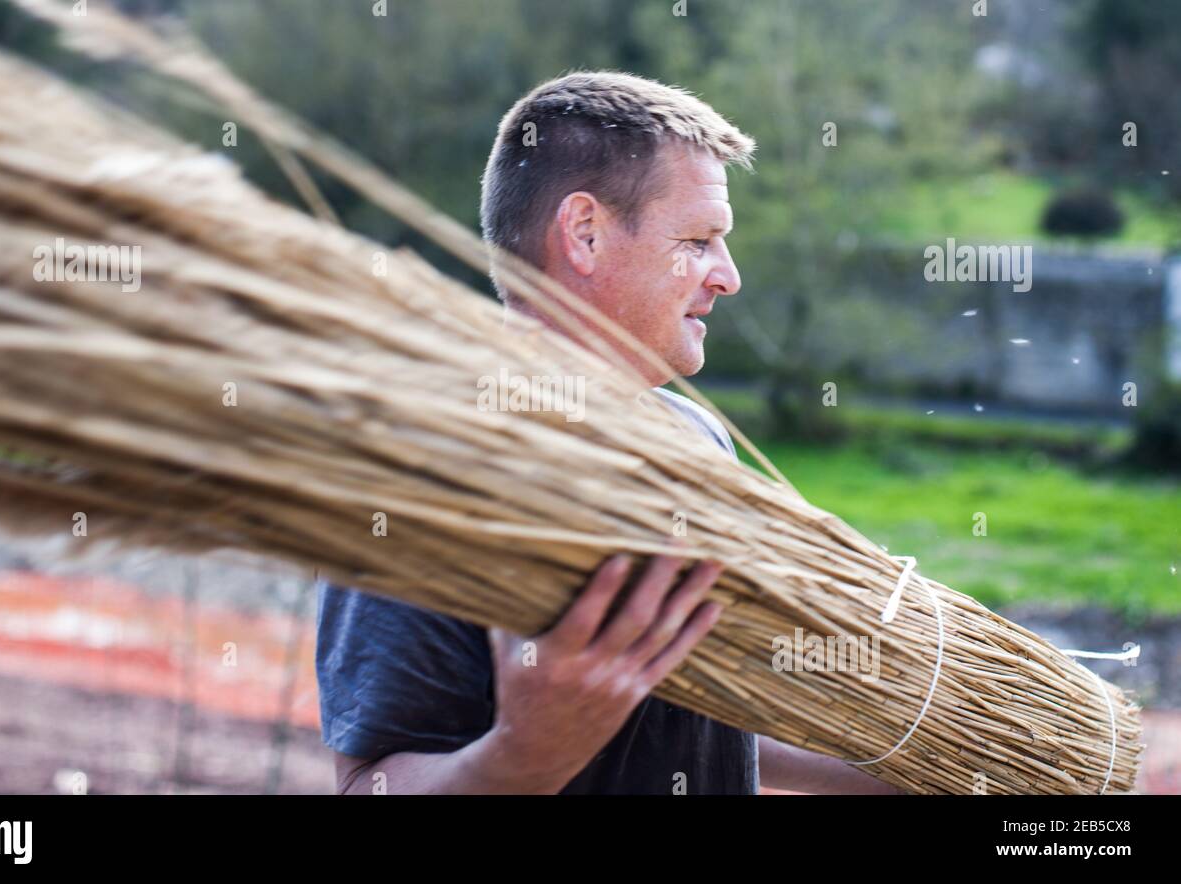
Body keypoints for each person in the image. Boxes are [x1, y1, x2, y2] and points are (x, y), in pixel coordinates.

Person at [316, 71, 899, 795]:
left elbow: (690, 715)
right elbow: (367, 785)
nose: (729, 276)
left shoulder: (693, 439)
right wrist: (527, 753)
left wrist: (903, 768)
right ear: (585, 233)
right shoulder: (421, 467)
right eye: (697, 239)